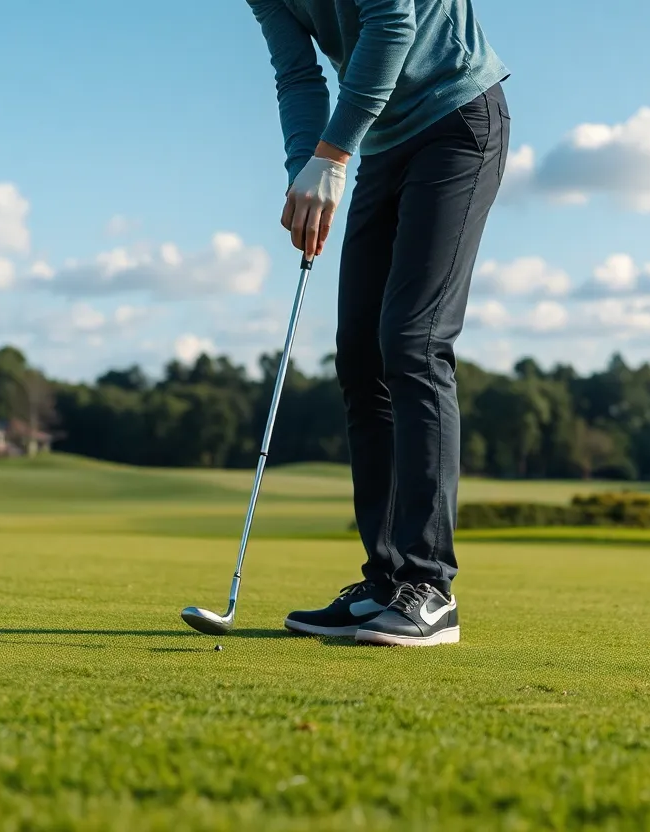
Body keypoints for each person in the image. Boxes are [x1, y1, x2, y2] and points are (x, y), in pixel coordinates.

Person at [246, 0, 510, 646]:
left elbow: (392, 25)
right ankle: (388, 581)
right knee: (361, 357)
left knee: (413, 342)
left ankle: (430, 588)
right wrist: (304, 175)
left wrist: (332, 155)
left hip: (457, 121)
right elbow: (298, 76)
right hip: (382, 145)